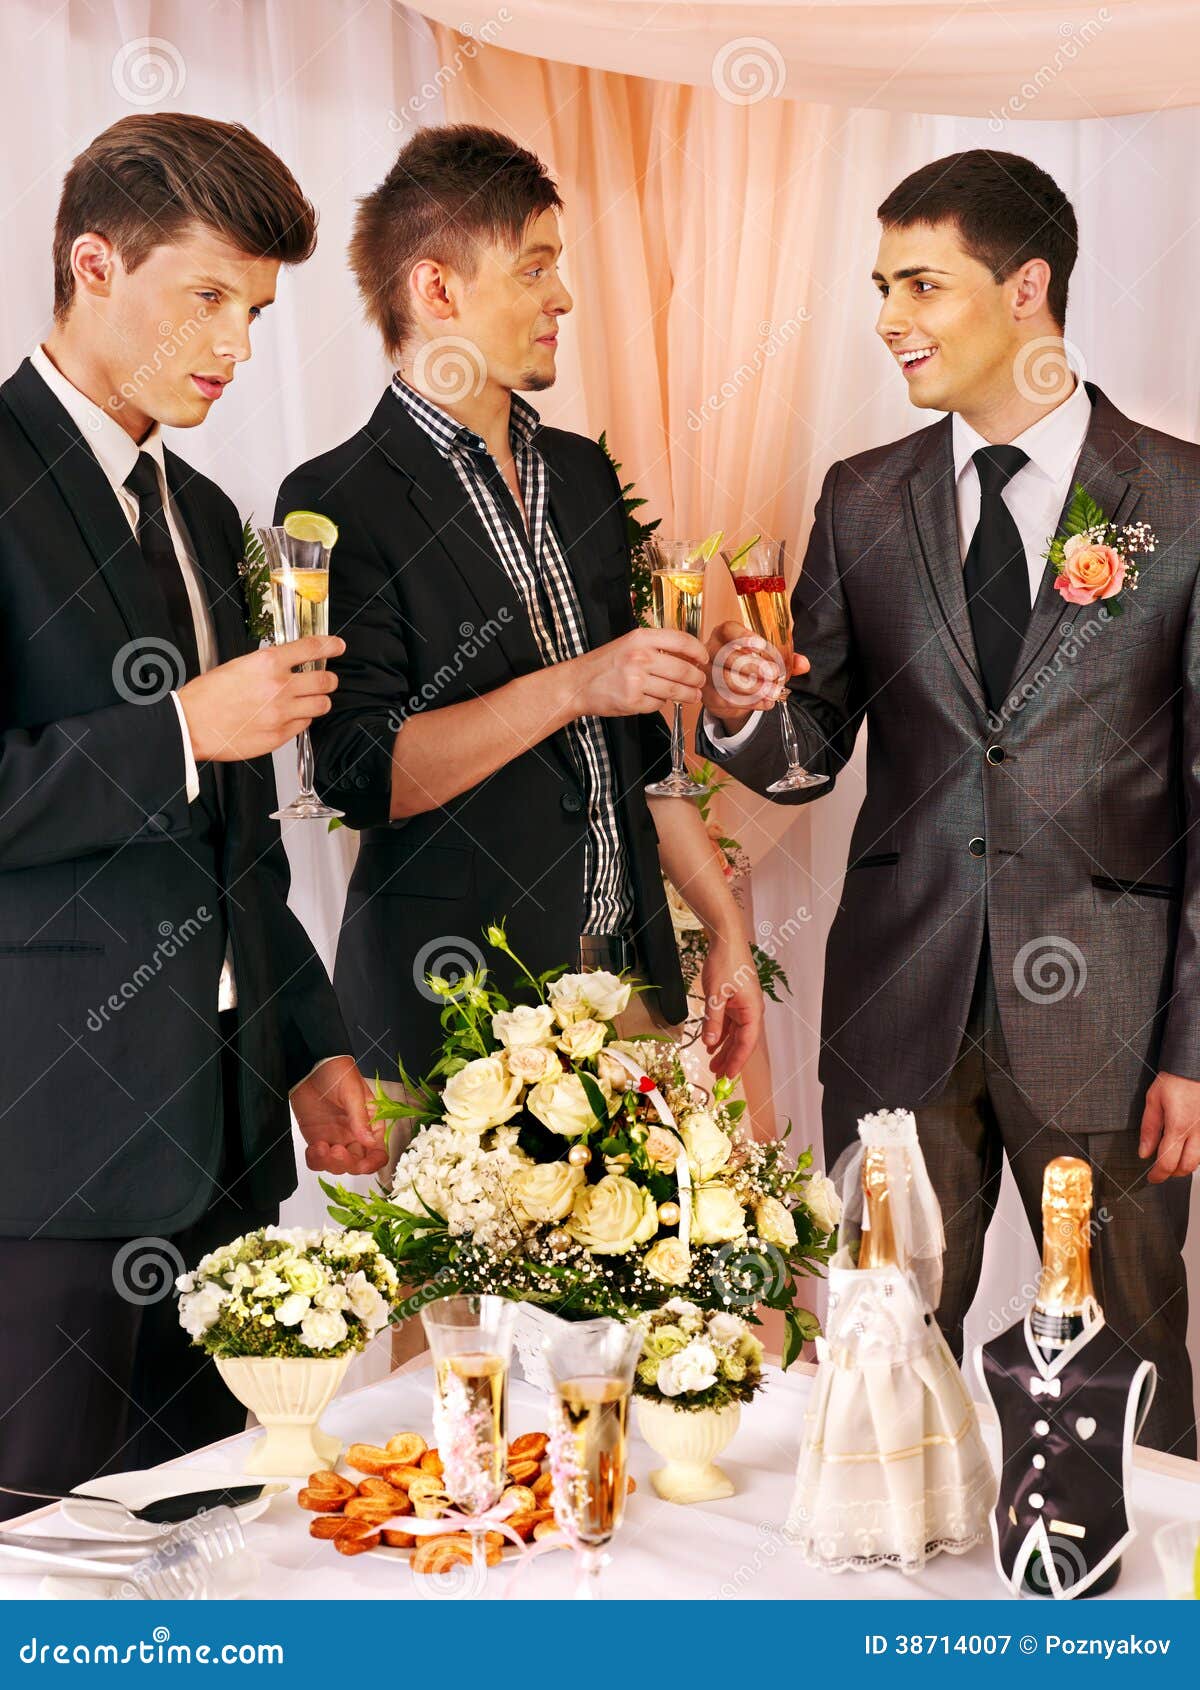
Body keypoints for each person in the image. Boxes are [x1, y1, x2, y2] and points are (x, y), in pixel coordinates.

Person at [701, 149, 1197, 1457]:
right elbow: (802, 752)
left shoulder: (1186, 500)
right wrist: (740, 699)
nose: (888, 320)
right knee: (880, 1338)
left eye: (922, 283)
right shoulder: (864, 499)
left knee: (1133, 1352)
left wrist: (1194, 1047)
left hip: (1115, 1013)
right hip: (896, 1009)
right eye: (879, 287)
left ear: (1027, 287)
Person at [0, 113, 385, 1515]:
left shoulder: (208, 503)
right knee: (41, 1563)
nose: (231, 343)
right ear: (94, 264)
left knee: (226, 1538)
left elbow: (241, 841)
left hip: (223, 1151)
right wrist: (176, 728)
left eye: (256, 310)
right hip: (45, 1163)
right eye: (205, 296)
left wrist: (309, 1045)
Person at [279, 124, 763, 1098]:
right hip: (457, 1018)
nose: (564, 297)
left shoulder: (583, 476)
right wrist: (584, 681)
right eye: (535, 267)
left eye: (561, 266)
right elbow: (363, 774)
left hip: (635, 996)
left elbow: (643, 754)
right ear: (437, 289)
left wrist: (728, 930)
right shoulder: (338, 499)